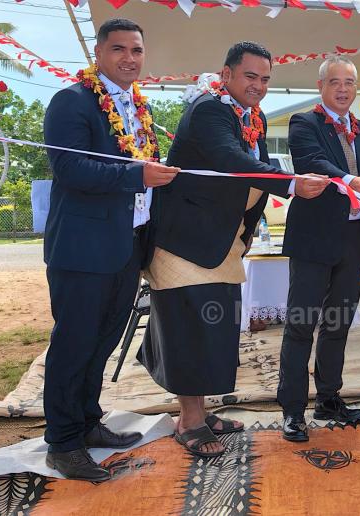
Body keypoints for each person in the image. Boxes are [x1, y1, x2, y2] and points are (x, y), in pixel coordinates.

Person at [139, 41, 328, 458]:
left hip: (222, 241)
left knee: (215, 329)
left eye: (265, 79)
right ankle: (189, 421)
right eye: (250, 76)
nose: (258, 86)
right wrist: (290, 184)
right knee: (189, 329)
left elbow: (252, 167)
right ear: (226, 75)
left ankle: (201, 413)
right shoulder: (209, 109)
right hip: (185, 240)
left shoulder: (253, 117)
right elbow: (229, 159)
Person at [42, 18, 180, 482]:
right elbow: (71, 169)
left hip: (127, 245)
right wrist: (136, 175)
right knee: (74, 344)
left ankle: (87, 422)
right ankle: (63, 443)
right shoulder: (72, 101)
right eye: (119, 48)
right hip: (83, 248)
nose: (129, 58)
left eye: (136, 50)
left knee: (102, 342)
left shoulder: (138, 106)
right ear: (98, 52)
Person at [276, 56, 360, 442]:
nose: (343, 89)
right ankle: (292, 409)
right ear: (321, 86)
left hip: (353, 238)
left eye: (349, 82)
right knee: (301, 324)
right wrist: (351, 180)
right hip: (314, 238)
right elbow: (312, 162)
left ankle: (329, 398)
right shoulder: (304, 123)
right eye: (335, 82)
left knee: (338, 323)